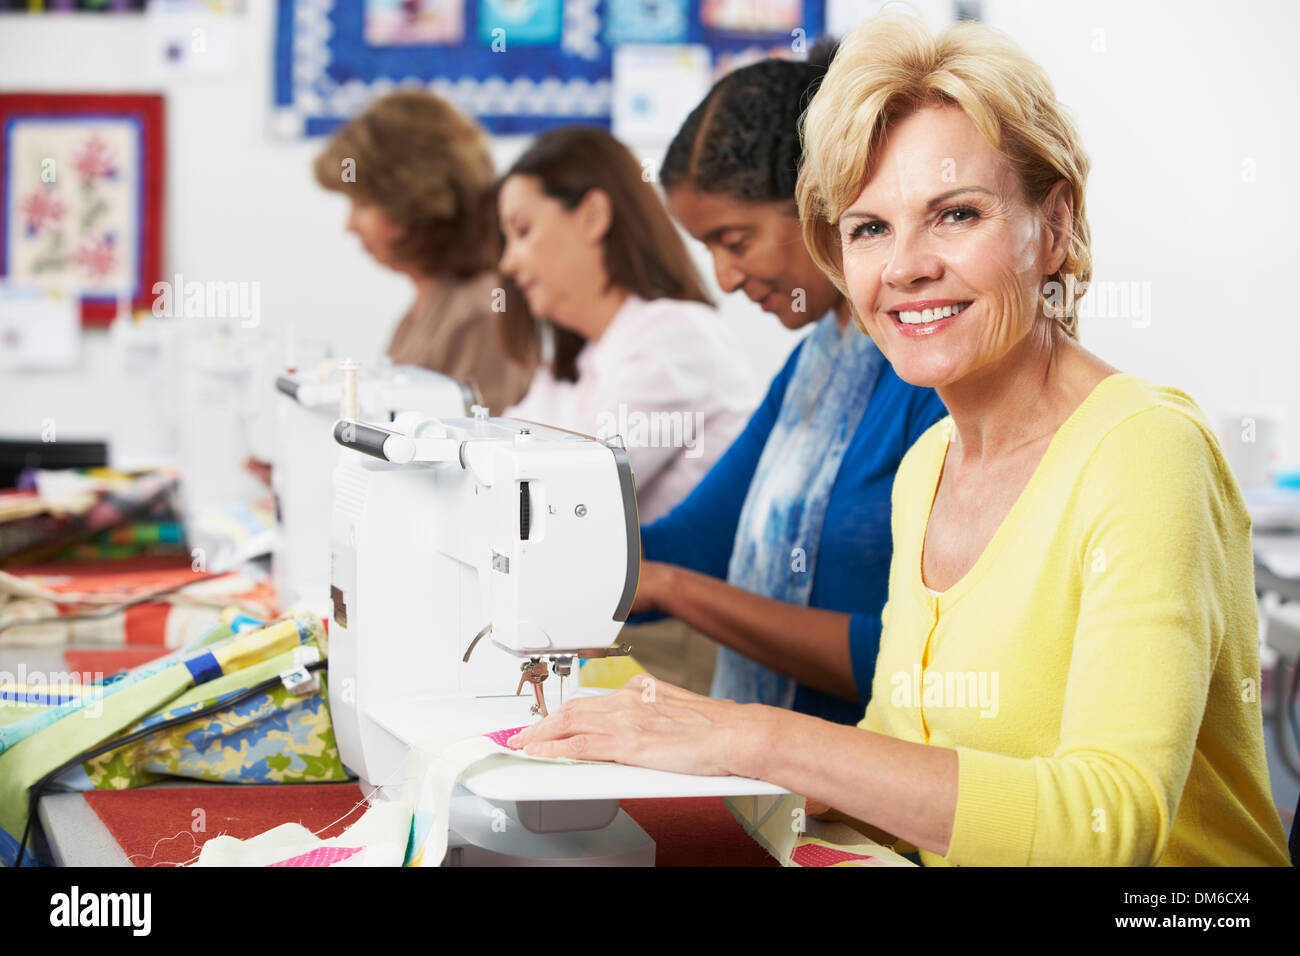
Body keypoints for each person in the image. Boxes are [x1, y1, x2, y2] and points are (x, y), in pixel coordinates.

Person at [510, 13, 1292, 866]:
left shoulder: (1145, 451)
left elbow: (1106, 826)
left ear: (1054, 225)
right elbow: (892, 760)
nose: (905, 266)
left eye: (956, 214)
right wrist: (669, 772)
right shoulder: (930, 466)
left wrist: (755, 741)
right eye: (869, 228)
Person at [620, 43, 947, 721]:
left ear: (821, 200)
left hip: (873, 798)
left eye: (735, 241)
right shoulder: (820, 366)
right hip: (786, 782)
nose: (725, 278)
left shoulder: (934, 377)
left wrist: (676, 590)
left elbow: (907, 661)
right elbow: (692, 543)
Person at [497, 127, 758, 524]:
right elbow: (494, 457)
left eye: (523, 232)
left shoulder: (675, 337)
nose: (507, 263)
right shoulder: (577, 360)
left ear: (593, 216)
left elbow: (561, 501)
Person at [314, 90, 535, 413]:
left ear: (410, 202)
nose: (349, 225)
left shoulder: (480, 313)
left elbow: (476, 448)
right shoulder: (428, 303)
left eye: (362, 204)